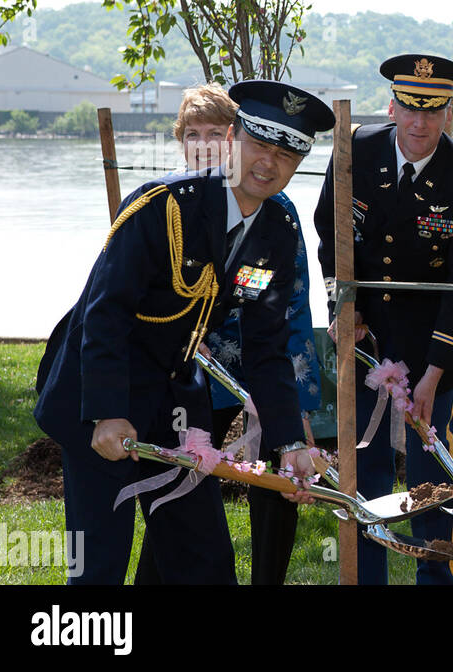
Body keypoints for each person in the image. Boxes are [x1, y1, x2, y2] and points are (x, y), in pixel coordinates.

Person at [34, 80, 335, 584]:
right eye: (260, 143)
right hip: (97, 389)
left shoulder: (275, 231)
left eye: (287, 153)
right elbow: (105, 314)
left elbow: (266, 346)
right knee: (98, 564)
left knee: (205, 560)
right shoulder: (163, 206)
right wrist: (108, 414)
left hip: (175, 390)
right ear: (234, 137)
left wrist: (289, 445)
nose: (269, 163)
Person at [314, 54, 453, 586]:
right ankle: (365, 578)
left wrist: (437, 372)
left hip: (430, 350)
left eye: (433, 111)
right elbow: (331, 236)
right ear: (392, 106)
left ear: (450, 111)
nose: (419, 124)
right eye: (410, 109)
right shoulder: (354, 153)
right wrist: (342, 310)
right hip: (366, 341)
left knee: (433, 486)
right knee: (366, 477)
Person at [133, 83, 322, 586]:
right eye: (190, 135)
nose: (203, 146)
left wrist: (292, 416)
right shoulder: (167, 205)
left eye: (213, 134)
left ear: (232, 137)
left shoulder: (277, 218)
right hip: (192, 373)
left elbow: (283, 309)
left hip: (263, 366)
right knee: (181, 489)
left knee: (275, 485)